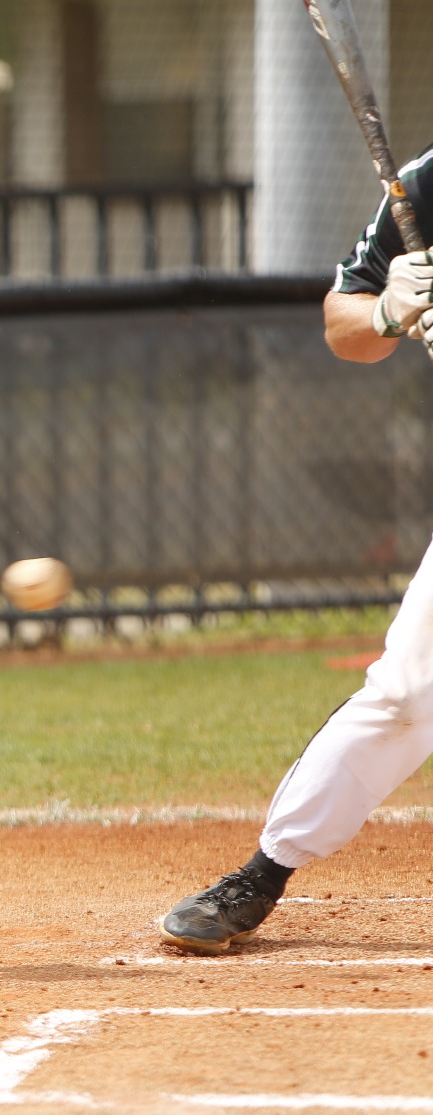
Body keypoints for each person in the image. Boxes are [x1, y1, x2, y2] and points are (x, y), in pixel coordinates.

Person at [157, 155, 433, 952]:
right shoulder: (426, 185)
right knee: (408, 694)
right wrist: (388, 311)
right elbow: (341, 323)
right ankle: (262, 872)